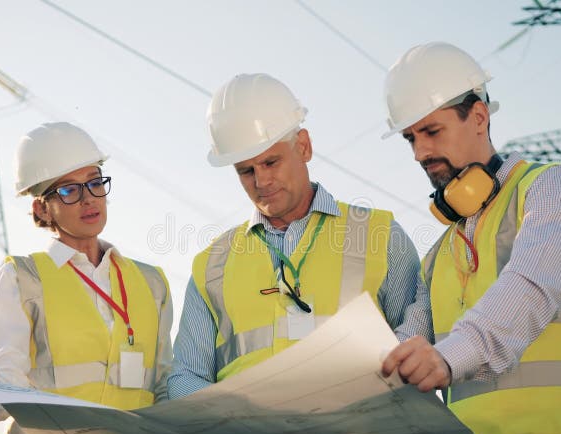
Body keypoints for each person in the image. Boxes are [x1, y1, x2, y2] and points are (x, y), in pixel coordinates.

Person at [379, 42, 561, 434]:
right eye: (410, 138)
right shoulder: (438, 256)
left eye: (432, 131)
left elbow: (530, 287)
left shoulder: (554, 190)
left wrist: (449, 357)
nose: (420, 152)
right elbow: (403, 349)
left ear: (478, 117)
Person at [167, 73, 430, 399]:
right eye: (246, 171)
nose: (261, 181)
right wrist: (231, 415)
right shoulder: (211, 265)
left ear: (303, 147)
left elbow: (417, 343)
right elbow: (184, 377)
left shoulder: (380, 235)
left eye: (270, 162)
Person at [0, 122, 174, 434]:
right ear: (41, 208)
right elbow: (4, 382)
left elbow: (164, 386)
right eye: (69, 190)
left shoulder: (151, 282)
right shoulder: (22, 277)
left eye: (94, 183)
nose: (88, 199)